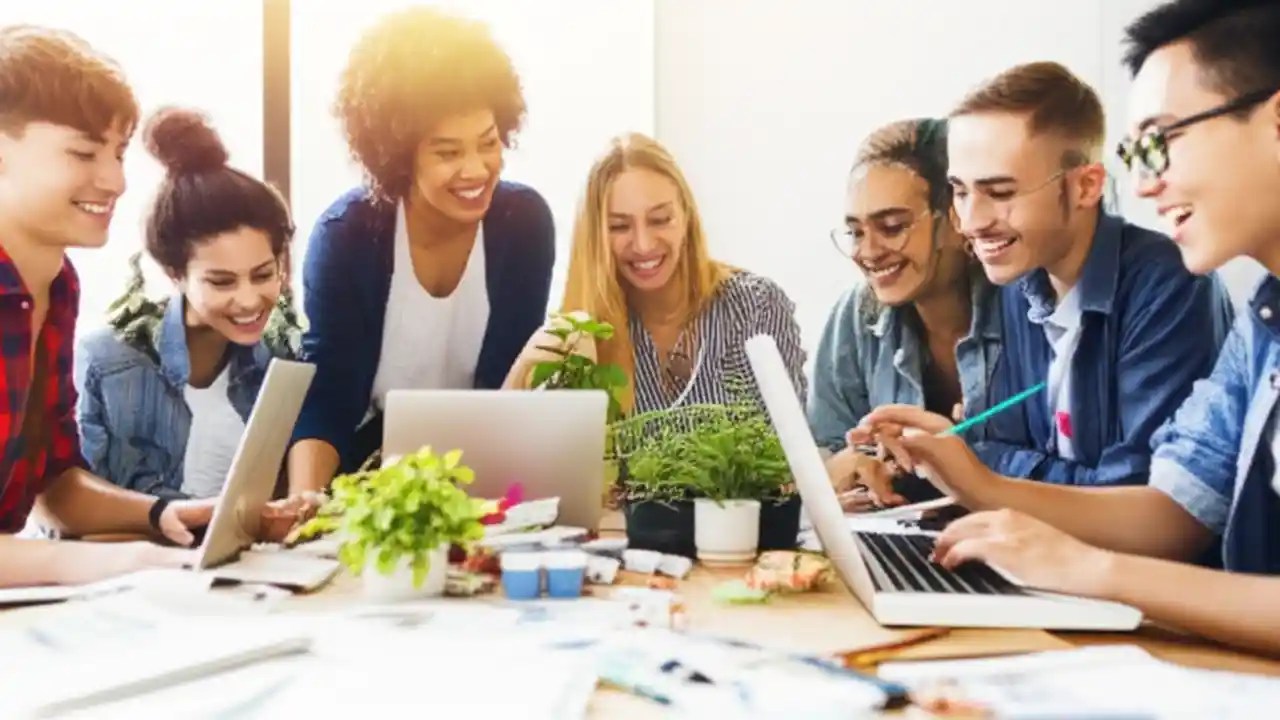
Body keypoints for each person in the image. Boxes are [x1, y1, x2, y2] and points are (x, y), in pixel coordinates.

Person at [852, 0, 1280, 655]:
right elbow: (1176, 509)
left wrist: (1089, 567)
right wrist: (976, 478)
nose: (1146, 186)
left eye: (1163, 141)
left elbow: (1151, 509)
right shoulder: (1263, 323)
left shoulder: (1165, 282)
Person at [288, 7, 555, 491]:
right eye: (448, 152)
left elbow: (510, 387)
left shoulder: (523, 224)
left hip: (480, 468)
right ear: (399, 156)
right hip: (366, 478)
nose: (476, 170)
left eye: (488, 143)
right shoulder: (347, 235)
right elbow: (328, 395)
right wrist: (304, 503)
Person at [944, 61, 1230, 487]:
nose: (970, 222)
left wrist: (984, 465)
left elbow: (1140, 495)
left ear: (1086, 186)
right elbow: (992, 445)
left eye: (1000, 193)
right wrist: (949, 452)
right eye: (959, 191)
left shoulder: (1170, 284)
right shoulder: (1015, 279)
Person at [0, 26, 211, 586]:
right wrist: (118, 562)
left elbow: (54, 484)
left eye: (118, 153)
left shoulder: (57, 285)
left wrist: (158, 516)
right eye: (82, 152)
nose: (115, 180)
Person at [75, 107, 303, 513]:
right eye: (222, 282)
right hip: (137, 553)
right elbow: (71, 518)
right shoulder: (107, 364)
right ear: (175, 273)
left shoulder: (279, 360)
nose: (249, 300)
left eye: (263, 274)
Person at [506, 132, 807, 415]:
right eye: (620, 226)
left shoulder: (755, 308)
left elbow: (788, 445)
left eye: (660, 219)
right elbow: (522, 444)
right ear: (597, 236)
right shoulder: (583, 336)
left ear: (686, 216)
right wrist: (522, 372)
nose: (643, 245)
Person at [808, 118, 1001, 511]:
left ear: (957, 218)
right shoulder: (855, 317)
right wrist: (841, 472)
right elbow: (822, 453)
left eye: (892, 227)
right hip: (903, 533)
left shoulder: (1026, 308)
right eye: (856, 232)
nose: (868, 252)